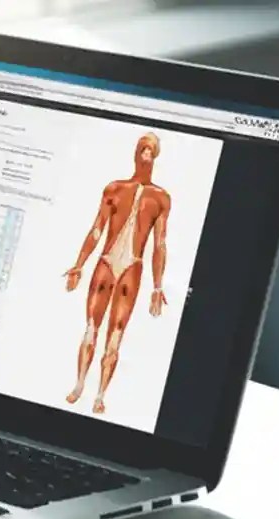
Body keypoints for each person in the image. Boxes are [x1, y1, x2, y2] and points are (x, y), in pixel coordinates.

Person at [63, 132, 172, 414]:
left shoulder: (160, 198)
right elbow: (97, 228)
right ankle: (80, 384)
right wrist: (79, 264)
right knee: (91, 328)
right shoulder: (115, 188)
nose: (145, 154)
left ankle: (99, 395)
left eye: (150, 149)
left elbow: (159, 243)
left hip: (132, 266)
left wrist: (158, 287)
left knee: (116, 335)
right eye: (142, 148)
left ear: (155, 156)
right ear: (135, 153)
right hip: (107, 260)